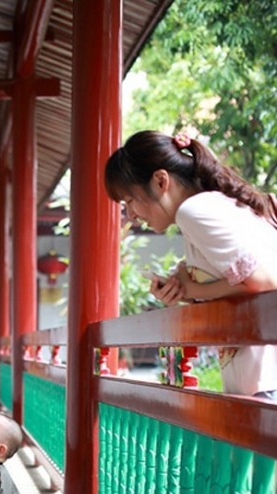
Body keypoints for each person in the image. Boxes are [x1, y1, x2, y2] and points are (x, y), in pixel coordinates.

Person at [105, 130, 277, 398]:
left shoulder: (193, 212)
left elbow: (266, 281)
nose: (131, 215)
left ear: (161, 181)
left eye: (129, 201)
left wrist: (193, 290)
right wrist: (185, 293)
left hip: (267, 382)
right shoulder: (216, 206)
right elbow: (246, 285)